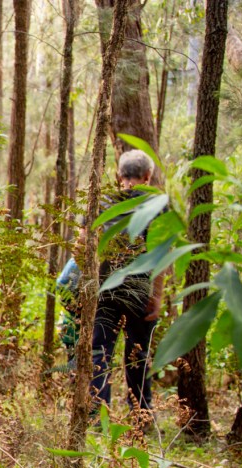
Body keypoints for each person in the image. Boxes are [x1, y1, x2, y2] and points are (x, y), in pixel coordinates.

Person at [90, 149, 165, 414]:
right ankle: (141, 414)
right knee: (138, 353)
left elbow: (86, 246)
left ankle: (95, 413)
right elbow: (161, 251)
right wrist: (157, 295)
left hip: (105, 287)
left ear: (118, 174)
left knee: (99, 350)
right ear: (148, 176)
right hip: (139, 289)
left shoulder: (105, 201)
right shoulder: (157, 203)